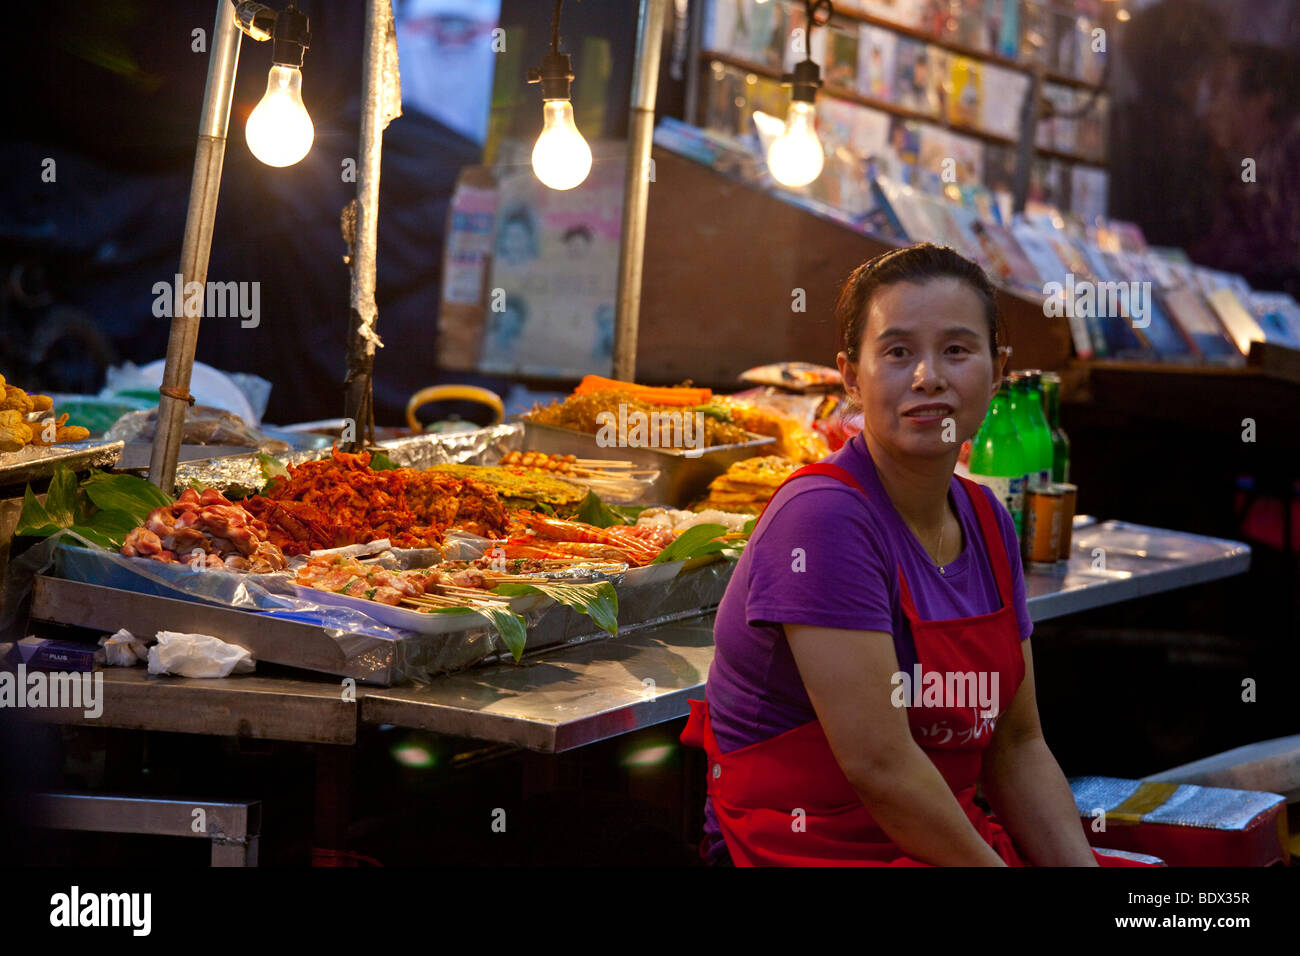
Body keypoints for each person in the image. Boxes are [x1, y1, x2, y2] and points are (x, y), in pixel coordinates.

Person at [681, 243, 1153, 867]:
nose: (928, 376)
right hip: (806, 853)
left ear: (997, 366)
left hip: (942, 846)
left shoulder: (989, 522)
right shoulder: (823, 519)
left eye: (957, 350)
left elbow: (1017, 745)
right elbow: (881, 766)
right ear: (851, 375)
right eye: (898, 352)